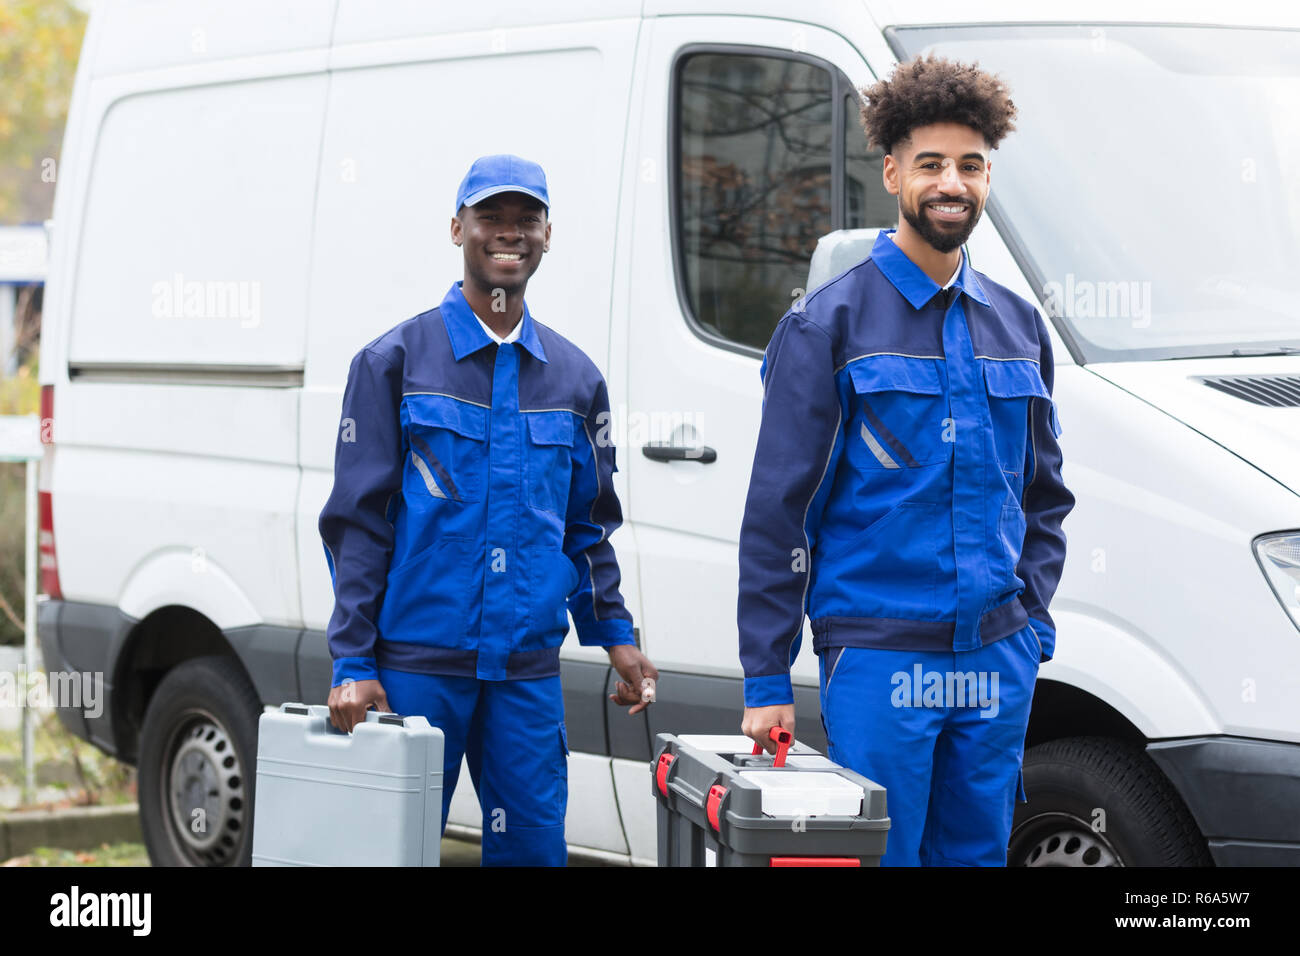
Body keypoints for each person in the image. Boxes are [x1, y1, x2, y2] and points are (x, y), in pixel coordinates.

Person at [737, 55, 1075, 866]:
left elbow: (1044, 496)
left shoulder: (1020, 328)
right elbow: (780, 513)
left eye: (970, 165)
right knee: (882, 858)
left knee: (976, 856)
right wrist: (766, 678)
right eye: (931, 164)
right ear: (892, 172)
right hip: (881, 660)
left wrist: (1027, 626)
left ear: (988, 175)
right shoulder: (829, 326)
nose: (951, 182)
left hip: (994, 660)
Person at [319, 154, 657, 866]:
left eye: (525, 219)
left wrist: (614, 634)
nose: (509, 233)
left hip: (526, 679)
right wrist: (352, 659)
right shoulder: (394, 362)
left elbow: (586, 526)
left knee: (534, 854)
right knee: (386, 856)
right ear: (457, 229)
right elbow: (359, 524)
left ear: (546, 234)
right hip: (415, 672)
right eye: (491, 218)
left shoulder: (575, 379)